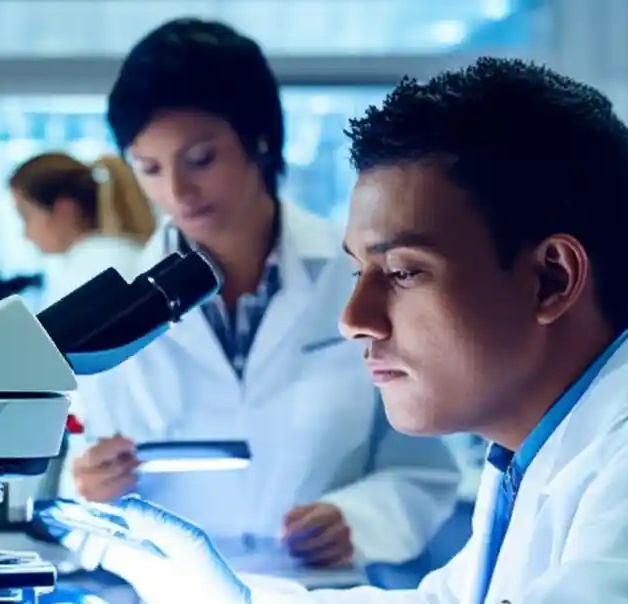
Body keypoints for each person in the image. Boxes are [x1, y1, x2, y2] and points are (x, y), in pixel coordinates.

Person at [3, 58, 628, 604]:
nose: (354, 318)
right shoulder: (560, 434)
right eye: (356, 271)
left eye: (403, 272)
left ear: (552, 278)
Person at [66, 18, 462, 570]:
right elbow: (71, 498)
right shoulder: (112, 308)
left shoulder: (356, 278)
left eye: (200, 159)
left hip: (320, 598)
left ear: (259, 139)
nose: (177, 192)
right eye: (150, 169)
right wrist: (90, 488)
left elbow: (424, 468)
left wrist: (360, 520)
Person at [8, 152, 156, 305]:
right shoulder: (79, 264)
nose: (26, 234)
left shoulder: (97, 269)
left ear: (64, 209)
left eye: (26, 216)